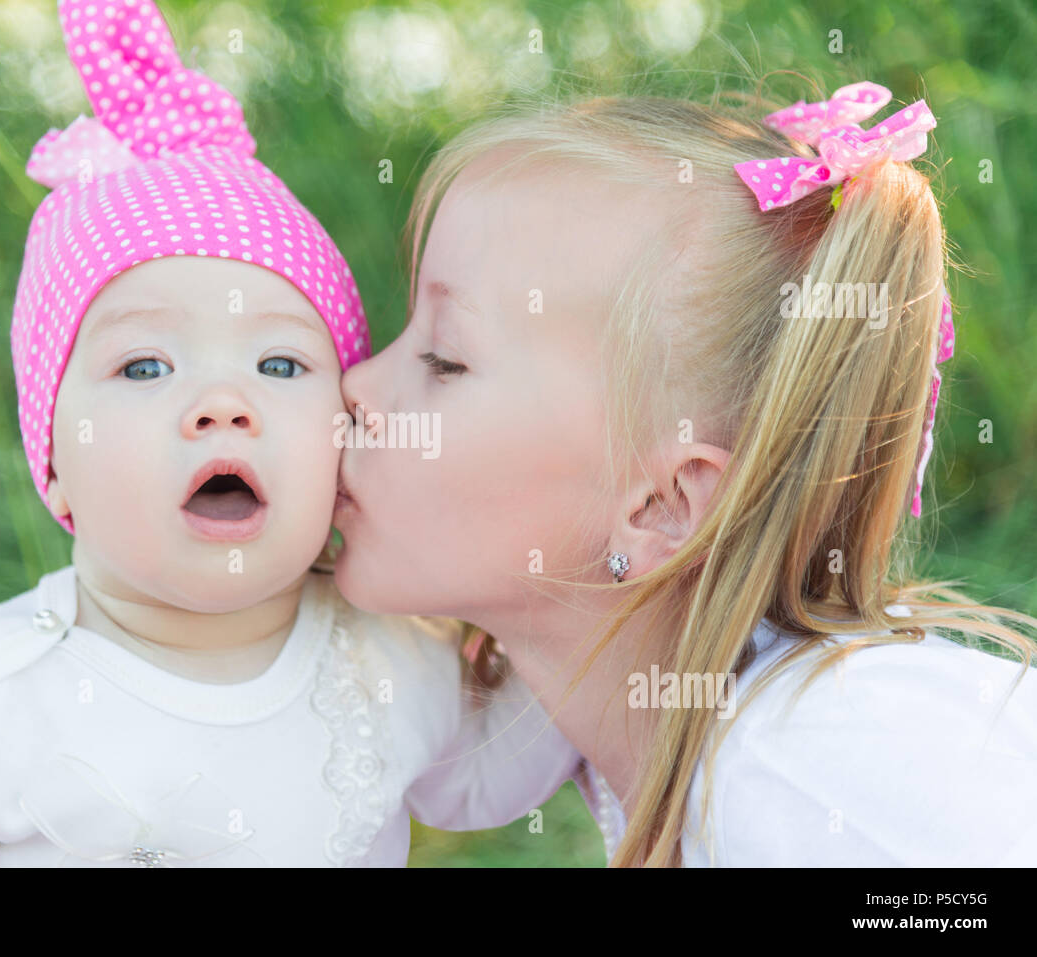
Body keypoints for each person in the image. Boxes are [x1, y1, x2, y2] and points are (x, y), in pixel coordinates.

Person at [0, 0, 581, 868]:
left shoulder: (388, 653)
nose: (222, 403)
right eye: (143, 368)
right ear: (51, 465)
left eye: (280, 366)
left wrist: (602, 586)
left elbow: (512, 755)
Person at [332, 81, 1037, 865]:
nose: (357, 387)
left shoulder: (808, 761)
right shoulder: (661, 742)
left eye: (443, 359)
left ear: (666, 505)